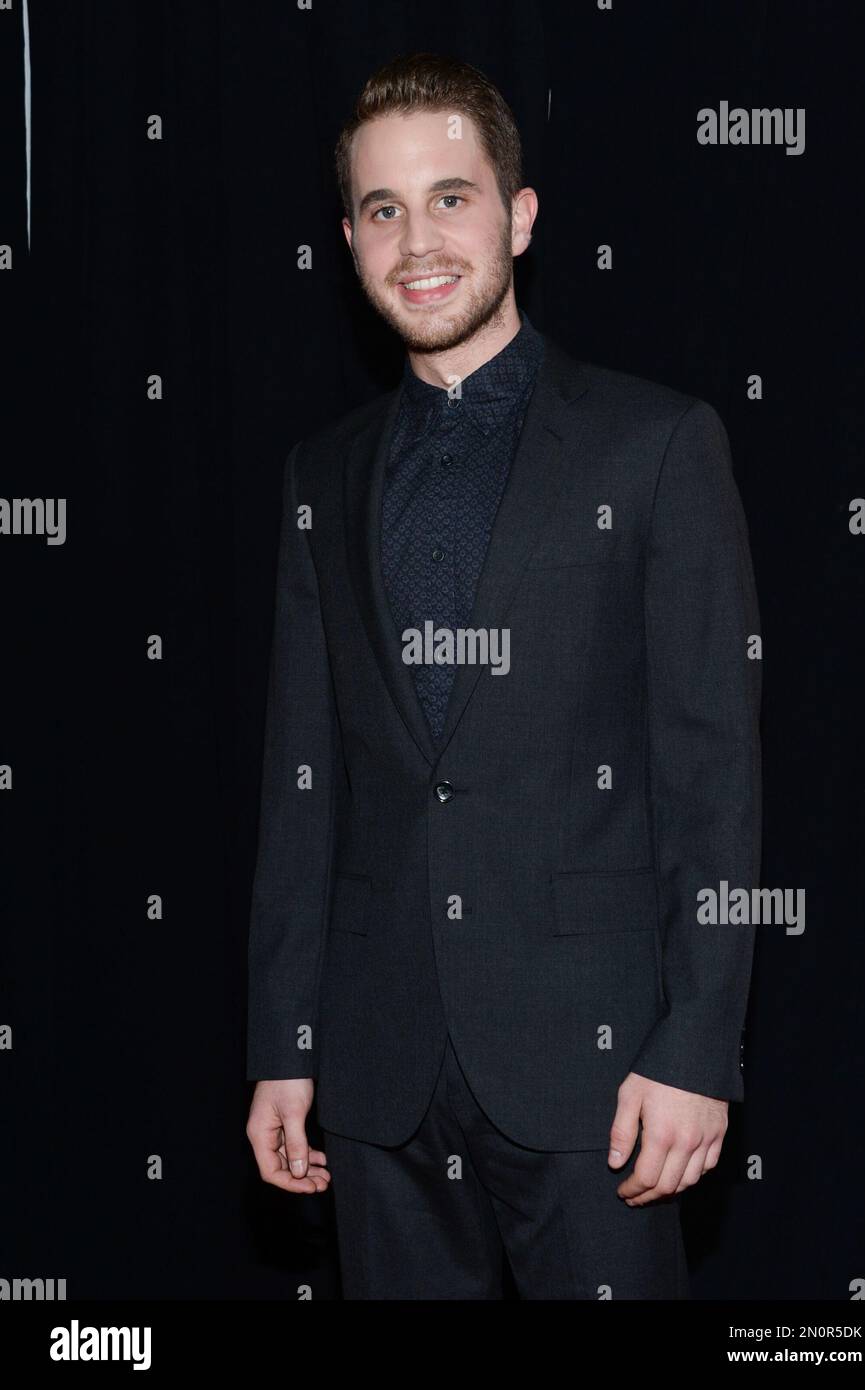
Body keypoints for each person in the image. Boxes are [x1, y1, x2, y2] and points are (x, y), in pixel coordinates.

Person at [245, 51, 762, 1300]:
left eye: (451, 197)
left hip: (600, 1077)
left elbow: (712, 769)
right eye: (382, 209)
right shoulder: (322, 472)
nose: (416, 239)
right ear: (352, 242)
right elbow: (302, 786)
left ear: (521, 218)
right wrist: (284, 1041)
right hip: (377, 1074)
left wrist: (699, 1044)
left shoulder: (657, 445)